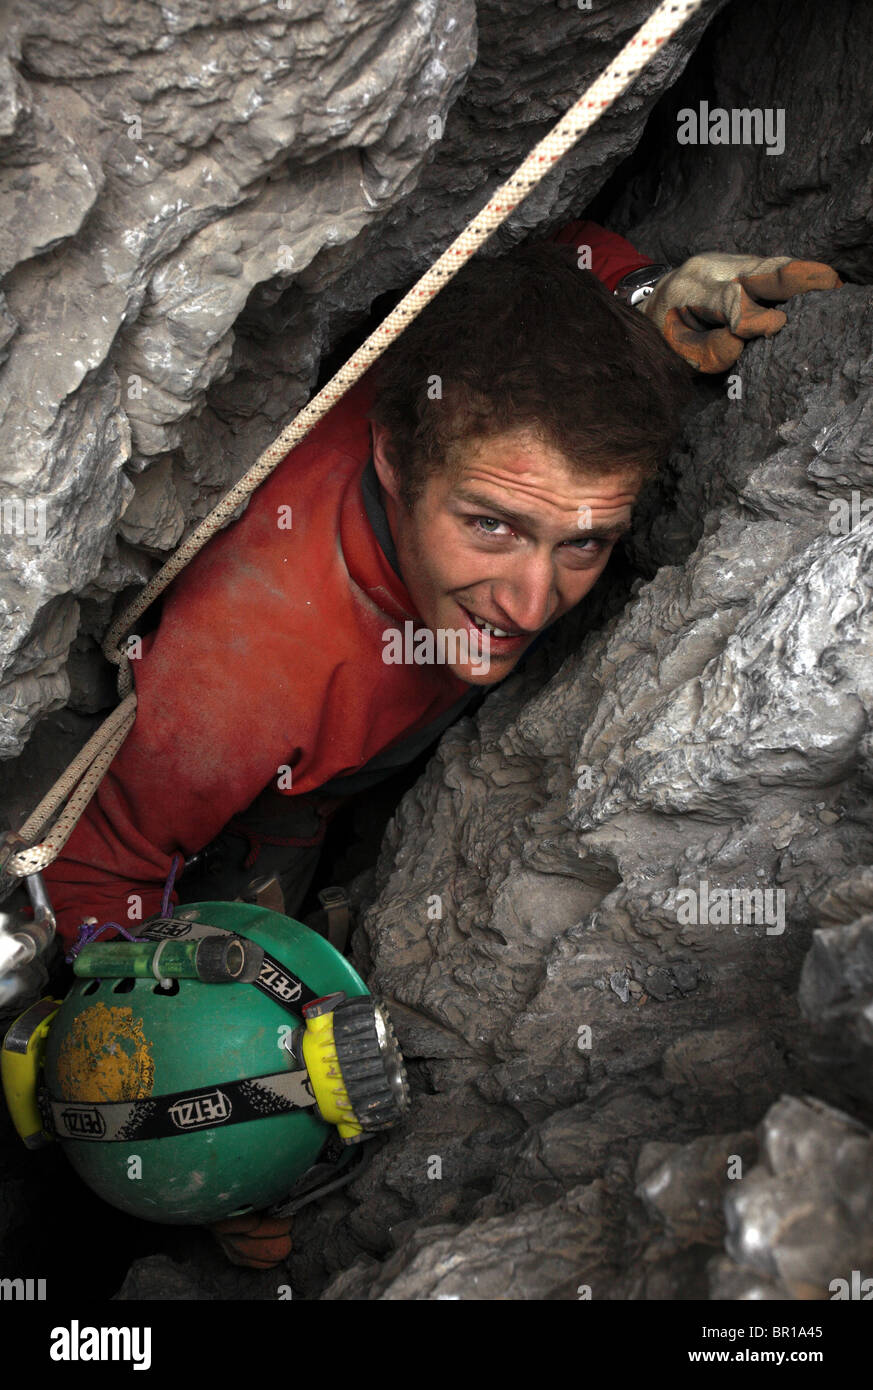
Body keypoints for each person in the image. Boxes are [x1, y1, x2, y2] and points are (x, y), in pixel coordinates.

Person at [34, 220, 839, 1265]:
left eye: (585, 542)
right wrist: (203, 1118)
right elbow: (100, 869)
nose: (533, 597)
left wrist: (645, 302)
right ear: (392, 454)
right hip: (269, 787)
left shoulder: (518, 426)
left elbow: (555, 254)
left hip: (342, 750)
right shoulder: (242, 671)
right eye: (492, 526)